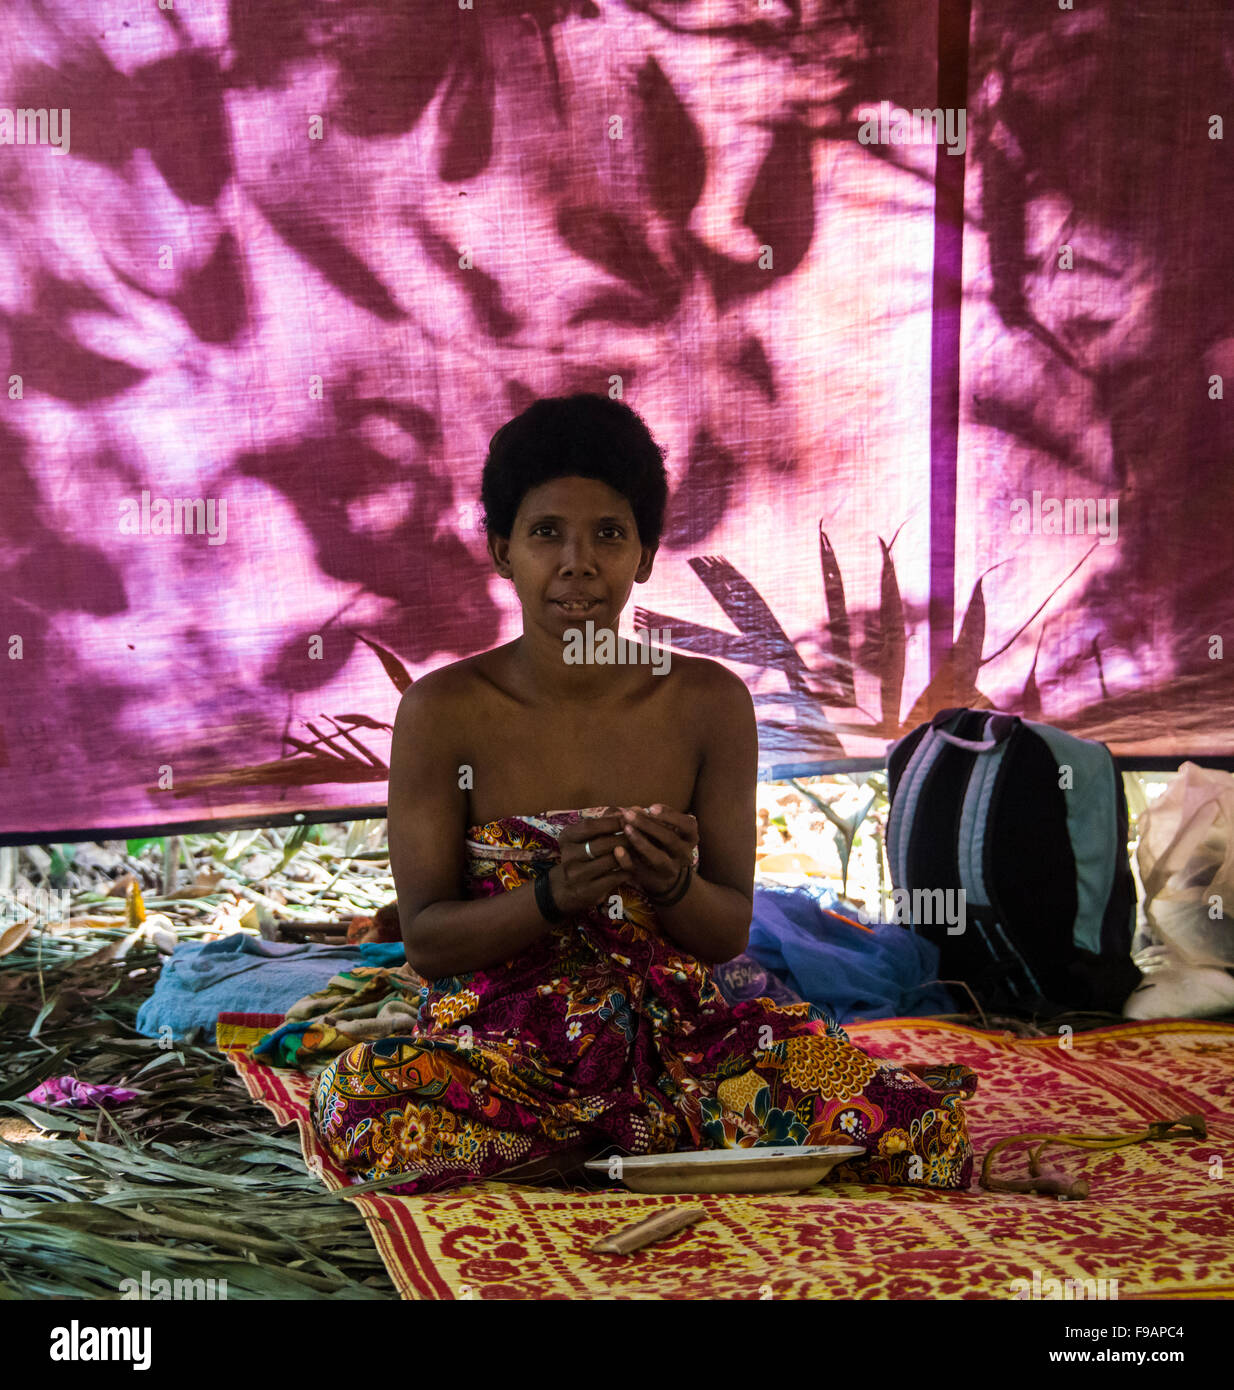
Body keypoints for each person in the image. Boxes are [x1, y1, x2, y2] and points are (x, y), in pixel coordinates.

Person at [310, 393, 976, 1193]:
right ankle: (645, 1153)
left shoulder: (706, 703)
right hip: (503, 1051)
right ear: (501, 550)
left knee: (916, 1125)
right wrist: (553, 897)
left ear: (647, 554)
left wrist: (671, 885)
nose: (578, 563)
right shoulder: (443, 712)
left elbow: (726, 930)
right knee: (361, 1102)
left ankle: (595, 1155)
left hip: (691, 1041)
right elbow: (428, 941)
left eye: (610, 534)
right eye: (546, 532)